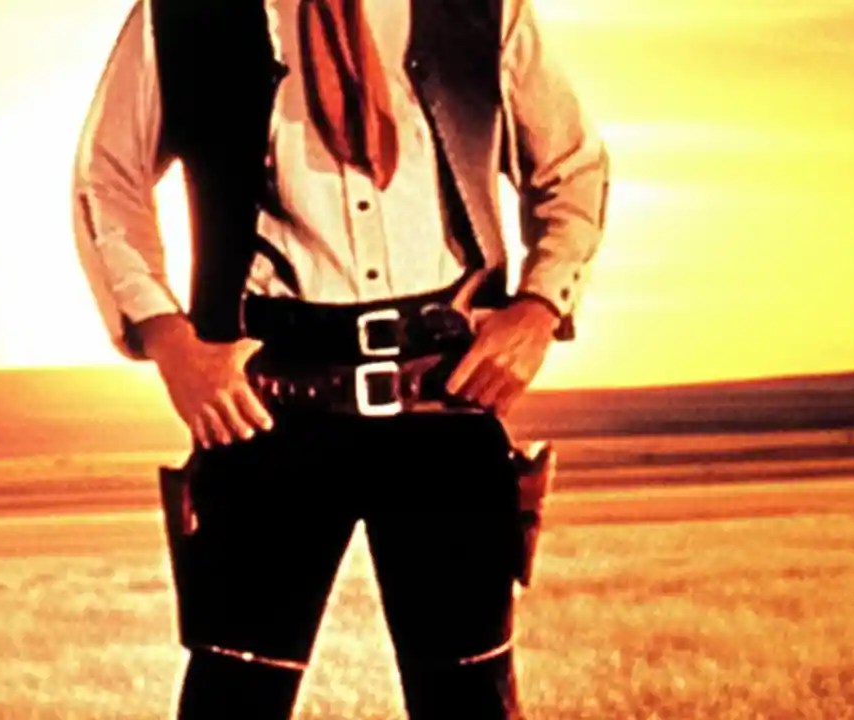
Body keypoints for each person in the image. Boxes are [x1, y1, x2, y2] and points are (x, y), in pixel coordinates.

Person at [72, 0, 608, 717]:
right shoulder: (183, 13)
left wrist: (538, 309)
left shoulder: (482, 5)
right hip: (265, 410)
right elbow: (106, 179)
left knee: (470, 702)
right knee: (232, 703)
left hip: (443, 401)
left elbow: (573, 168)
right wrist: (168, 339)